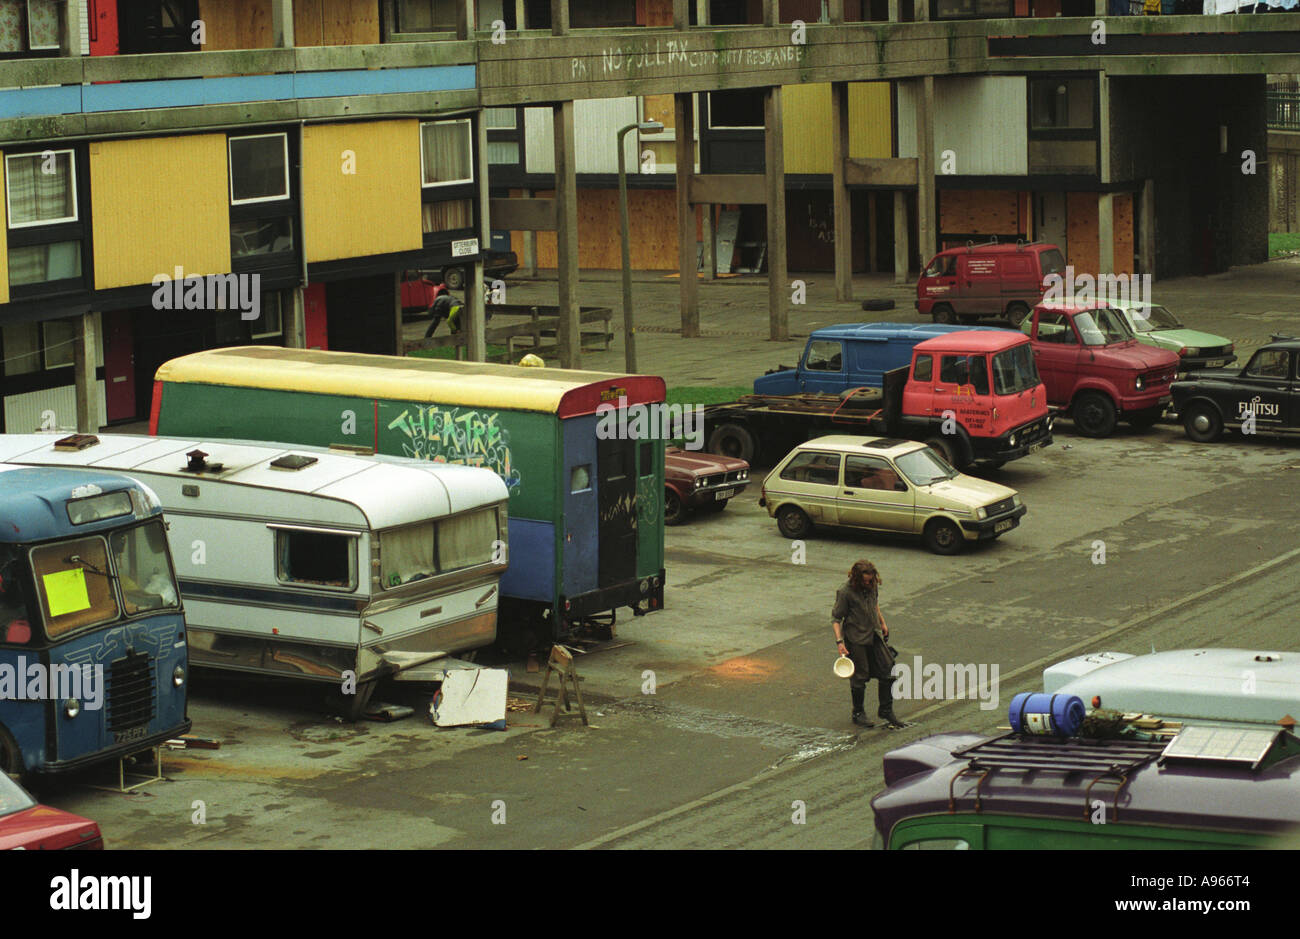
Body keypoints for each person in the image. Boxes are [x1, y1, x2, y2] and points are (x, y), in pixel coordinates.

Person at [832, 559, 904, 729]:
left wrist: (883, 622)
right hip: (856, 639)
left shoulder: (872, 585)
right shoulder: (845, 592)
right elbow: (836, 619)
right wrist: (839, 642)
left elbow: (875, 604)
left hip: (874, 635)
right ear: (856, 578)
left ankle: (886, 710)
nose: (867, 583)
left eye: (870, 580)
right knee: (859, 677)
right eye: (864, 581)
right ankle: (858, 713)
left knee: (888, 670)